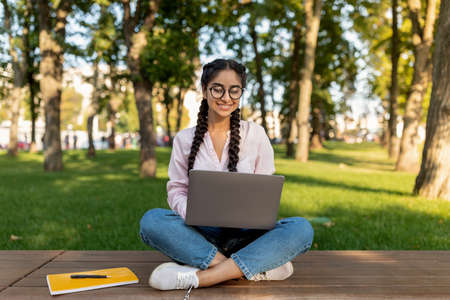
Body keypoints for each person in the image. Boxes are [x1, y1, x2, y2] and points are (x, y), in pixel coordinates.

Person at [139, 59, 314, 293]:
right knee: (152, 221)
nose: (226, 97)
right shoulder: (184, 139)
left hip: (248, 235)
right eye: (217, 88)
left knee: (301, 229)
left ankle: (202, 277)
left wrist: (253, 214)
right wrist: (191, 212)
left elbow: (264, 191)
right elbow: (177, 190)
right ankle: (249, 267)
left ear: (241, 92)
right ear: (204, 90)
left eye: (235, 90)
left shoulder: (256, 135)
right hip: (201, 234)